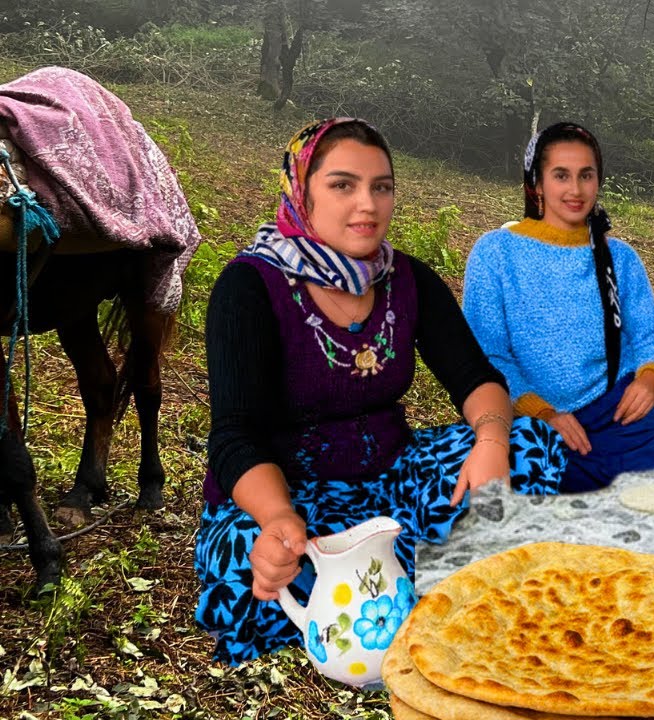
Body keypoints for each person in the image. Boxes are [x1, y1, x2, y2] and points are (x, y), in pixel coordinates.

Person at [194, 118, 565, 665]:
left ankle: (386, 587)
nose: (367, 204)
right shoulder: (249, 288)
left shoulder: (407, 279)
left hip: (395, 479)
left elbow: (476, 377)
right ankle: (423, 578)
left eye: (381, 186)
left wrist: (490, 443)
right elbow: (234, 436)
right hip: (293, 497)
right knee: (247, 566)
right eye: (342, 185)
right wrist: (277, 519)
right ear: (302, 190)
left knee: (530, 446)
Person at [462, 122, 654, 493]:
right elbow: (486, 354)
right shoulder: (495, 252)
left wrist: (650, 380)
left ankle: (599, 485)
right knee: (515, 464)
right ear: (537, 184)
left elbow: (652, 336)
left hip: (615, 411)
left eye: (586, 175)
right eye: (561, 175)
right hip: (534, 419)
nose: (575, 190)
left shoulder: (618, 258)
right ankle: (606, 486)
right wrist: (543, 412)